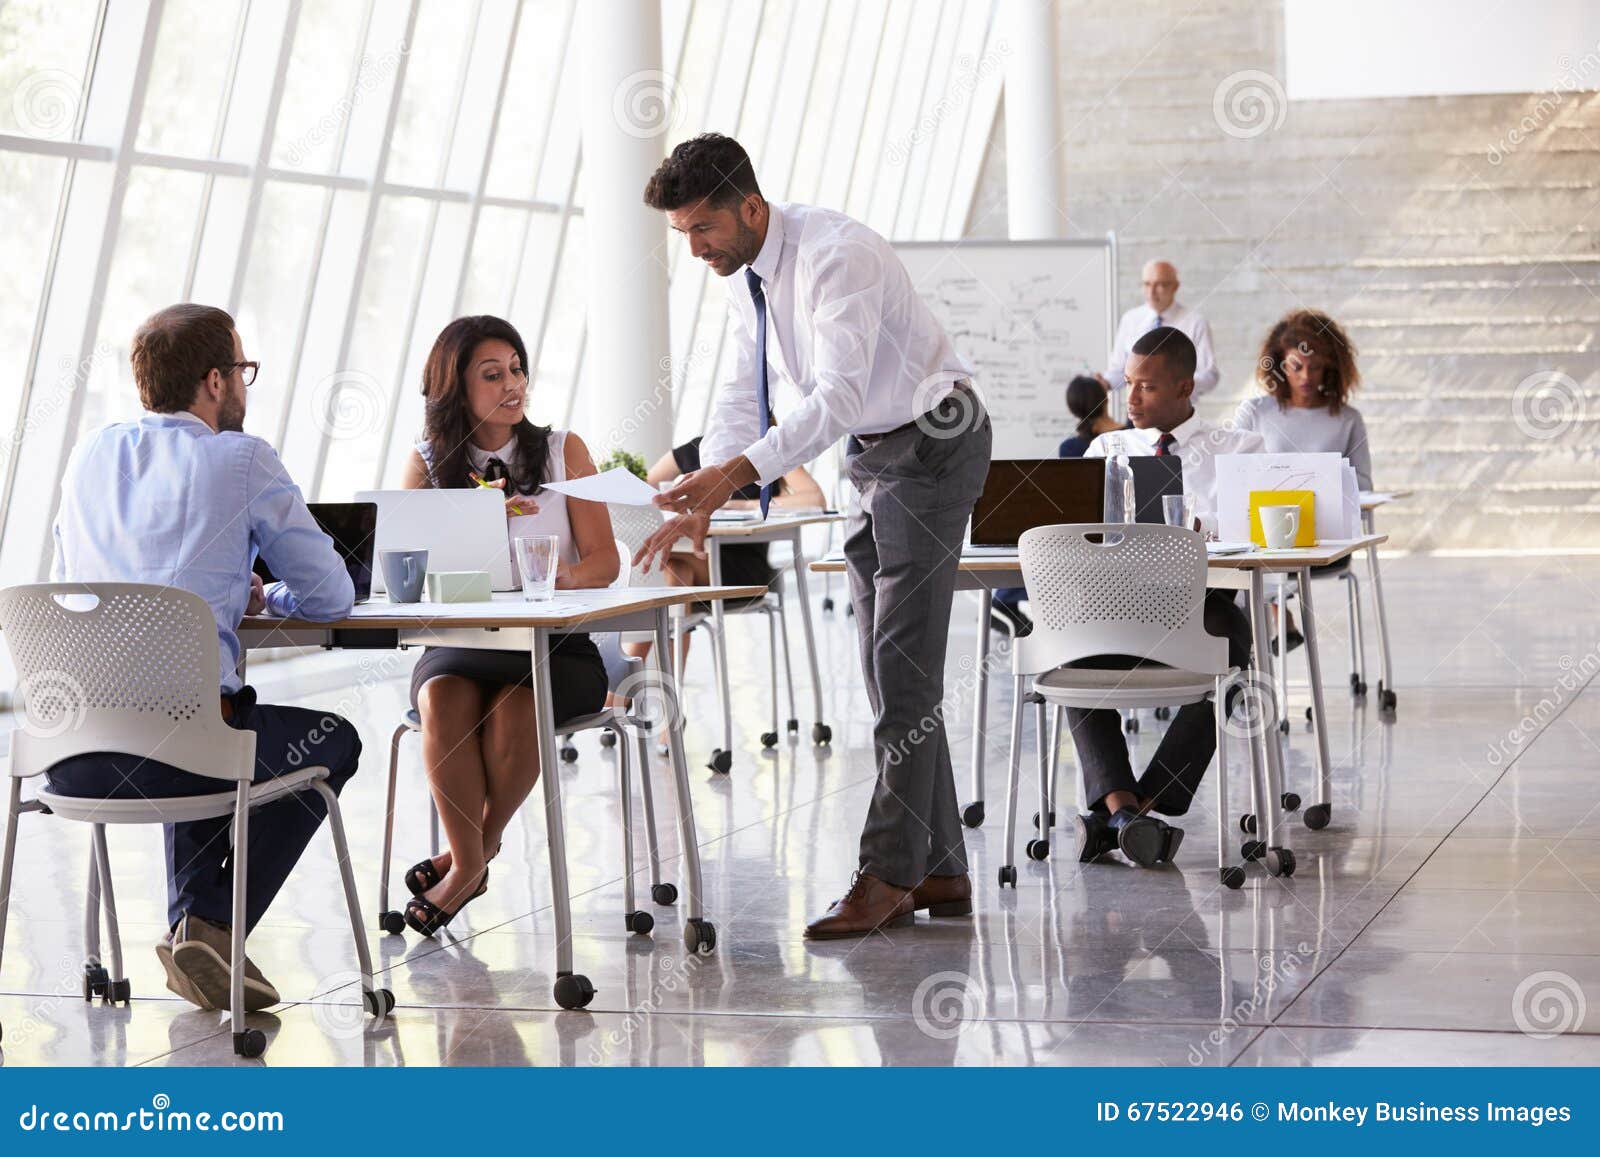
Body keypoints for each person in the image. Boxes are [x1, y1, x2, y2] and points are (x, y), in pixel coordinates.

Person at [635, 133, 991, 938]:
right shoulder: (744, 273)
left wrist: (735, 475)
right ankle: (941, 867)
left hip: (934, 440)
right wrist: (716, 483)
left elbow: (835, 395)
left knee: (902, 672)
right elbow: (743, 388)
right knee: (884, 664)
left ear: (750, 207)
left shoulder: (837, 256)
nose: (695, 250)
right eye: (682, 234)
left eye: (703, 230)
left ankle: (889, 872)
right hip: (876, 453)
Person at [47, 303, 360, 1013]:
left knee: (201, 712)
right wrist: (269, 596)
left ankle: (198, 924)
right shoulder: (241, 457)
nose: (245, 385)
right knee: (330, 739)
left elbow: (79, 581)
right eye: (244, 370)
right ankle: (211, 924)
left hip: (73, 751)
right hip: (186, 751)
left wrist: (215, 590)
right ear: (215, 381)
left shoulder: (88, 454)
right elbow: (331, 594)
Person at [399, 315, 618, 937]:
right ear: (454, 387)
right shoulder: (427, 461)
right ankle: (470, 862)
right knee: (441, 696)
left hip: (555, 648)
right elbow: (405, 570)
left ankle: (469, 860)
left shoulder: (561, 449)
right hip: (462, 645)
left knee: (517, 710)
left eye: (517, 369)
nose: (512, 384)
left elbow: (605, 560)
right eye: (492, 375)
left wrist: (545, 579)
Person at [1072, 326, 1265, 866]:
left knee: (1235, 645)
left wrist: (1203, 529)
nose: (1129, 399)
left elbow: (1252, 536)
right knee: (1067, 650)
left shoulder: (1239, 449)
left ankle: (1125, 811)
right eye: (1127, 384)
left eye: (1147, 388)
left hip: (1197, 608)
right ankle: (1127, 813)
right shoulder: (1104, 448)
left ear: (1185, 389)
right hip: (1114, 609)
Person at [990, 374, 1127, 634]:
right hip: (1121, 533)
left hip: (1081, 535)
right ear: (1106, 399)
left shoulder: (1072, 446)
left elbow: (1073, 499)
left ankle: (1008, 606)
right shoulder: (1129, 434)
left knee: (1043, 547)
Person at [1234, 309, 1371, 489]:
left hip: (1330, 516)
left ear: (1328, 368)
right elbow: (1234, 475)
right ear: (1281, 366)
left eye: (1315, 367)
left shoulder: (1348, 419)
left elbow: (1364, 486)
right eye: (1296, 367)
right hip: (1268, 514)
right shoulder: (1254, 412)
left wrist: (1329, 475)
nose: (1306, 376)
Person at [1106, 260, 1219, 396]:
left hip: (1178, 413)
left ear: (1175, 287)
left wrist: (1174, 385)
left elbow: (1210, 375)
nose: (1152, 292)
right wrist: (1104, 384)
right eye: (1147, 284)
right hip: (1137, 411)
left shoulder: (1195, 322)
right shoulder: (1130, 319)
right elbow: (1119, 372)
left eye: (1160, 285)